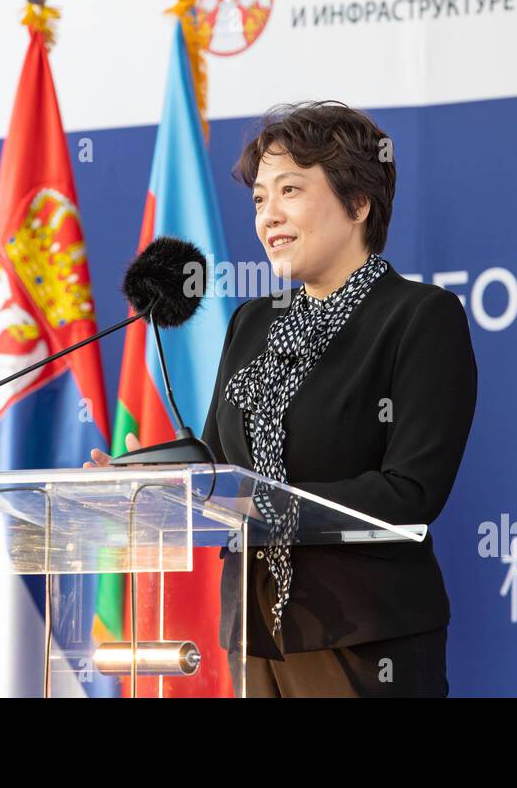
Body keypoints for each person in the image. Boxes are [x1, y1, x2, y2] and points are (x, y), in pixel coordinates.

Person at [87, 100, 477, 697]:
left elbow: (411, 495)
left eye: (290, 190)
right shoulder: (251, 323)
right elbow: (223, 469)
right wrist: (153, 480)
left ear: (358, 203)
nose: (269, 215)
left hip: (365, 639)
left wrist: (269, 505)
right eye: (259, 200)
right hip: (255, 633)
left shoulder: (418, 318)